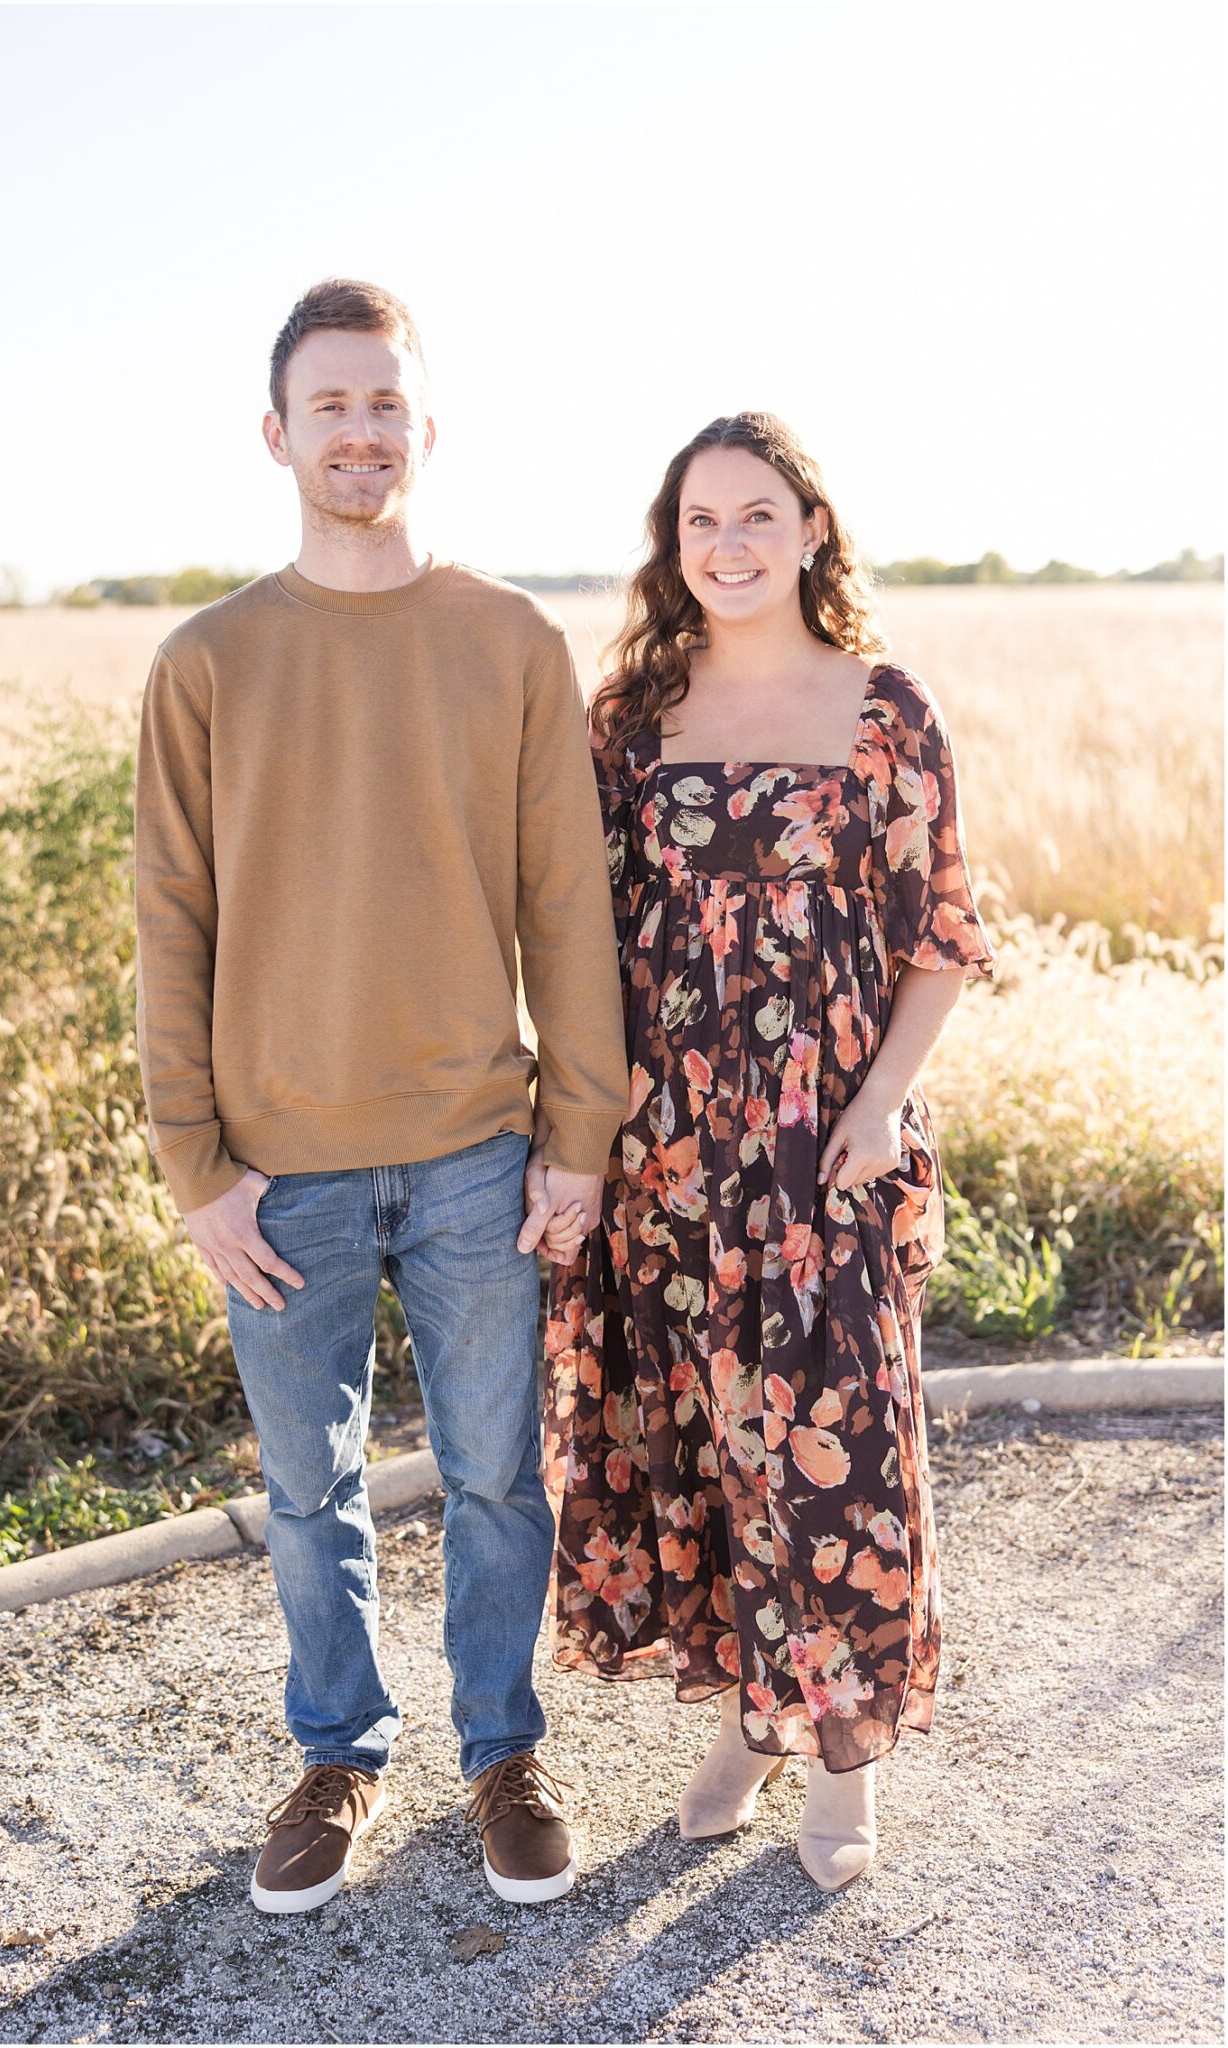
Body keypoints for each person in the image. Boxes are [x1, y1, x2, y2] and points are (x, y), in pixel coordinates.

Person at [132, 278, 628, 1914]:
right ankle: (340, 1750)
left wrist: (582, 1129)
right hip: (280, 1177)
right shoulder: (207, 663)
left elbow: (568, 903)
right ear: (278, 434)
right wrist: (194, 1164)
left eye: (386, 404)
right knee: (305, 1489)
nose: (360, 431)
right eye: (329, 406)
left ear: (426, 427)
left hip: (483, 1156)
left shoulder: (507, 642)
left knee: (497, 1477)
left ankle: (503, 1750)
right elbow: (172, 923)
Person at [540, 412, 995, 1892]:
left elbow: (940, 935)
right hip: (668, 1139)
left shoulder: (884, 708)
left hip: (826, 1138)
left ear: (812, 530)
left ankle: (847, 1748)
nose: (724, 546)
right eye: (697, 524)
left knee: (840, 1437)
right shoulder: (629, 717)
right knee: (703, 1431)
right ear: (672, 549)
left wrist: (879, 1107)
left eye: (754, 516)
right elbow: (582, 937)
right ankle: (751, 1712)